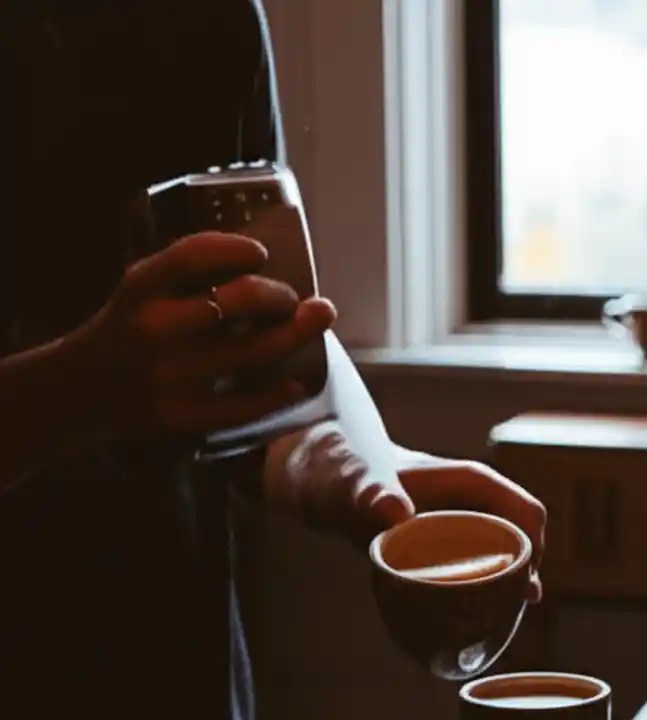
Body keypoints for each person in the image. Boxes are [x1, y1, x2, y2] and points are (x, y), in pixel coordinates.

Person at [0, 1, 545, 718]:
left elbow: (243, 354)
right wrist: (82, 391)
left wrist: (357, 469)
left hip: (177, 670)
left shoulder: (213, 21)